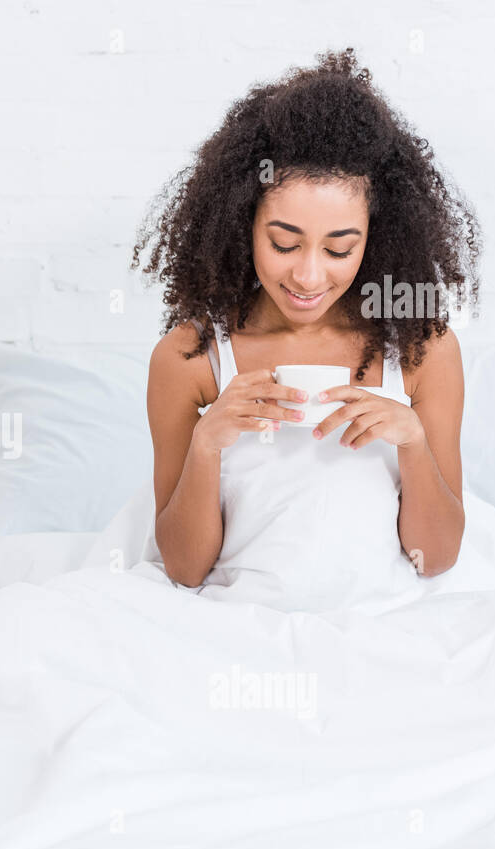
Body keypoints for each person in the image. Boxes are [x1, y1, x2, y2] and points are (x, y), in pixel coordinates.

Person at [132, 48, 477, 613]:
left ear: (378, 236)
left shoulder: (422, 351)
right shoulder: (189, 358)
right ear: (241, 220)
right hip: (235, 621)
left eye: (340, 248)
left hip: (383, 619)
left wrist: (412, 441)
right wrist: (206, 443)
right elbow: (185, 569)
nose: (309, 276)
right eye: (284, 243)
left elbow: (435, 558)